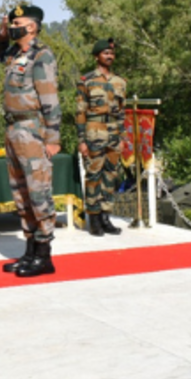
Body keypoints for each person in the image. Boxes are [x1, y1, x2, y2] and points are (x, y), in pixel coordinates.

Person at [0, 5, 61, 278]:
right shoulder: (14, 54)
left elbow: (50, 98)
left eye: (16, 23)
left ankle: (44, 256)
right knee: (21, 194)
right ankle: (30, 251)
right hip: (13, 128)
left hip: (32, 129)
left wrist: (53, 137)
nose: (12, 27)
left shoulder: (41, 55)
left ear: (31, 26)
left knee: (38, 193)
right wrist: (2, 32)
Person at [76, 39, 128, 236]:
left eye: (112, 54)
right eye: (105, 53)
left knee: (110, 175)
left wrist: (122, 137)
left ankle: (106, 217)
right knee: (93, 175)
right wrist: (82, 140)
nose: (109, 56)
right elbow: (80, 111)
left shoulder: (120, 82)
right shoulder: (86, 81)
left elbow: (121, 112)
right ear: (97, 56)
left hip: (114, 132)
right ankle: (94, 218)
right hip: (94, 131)